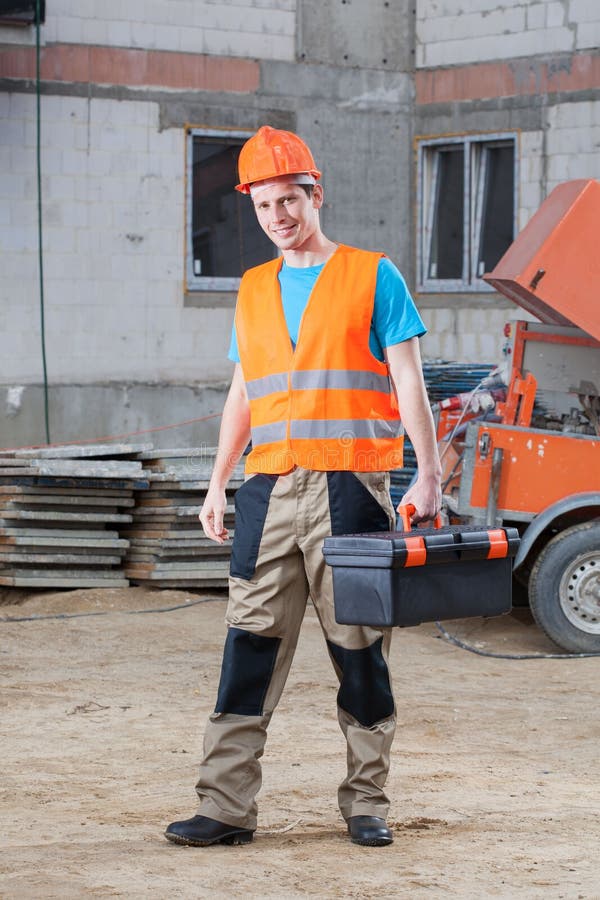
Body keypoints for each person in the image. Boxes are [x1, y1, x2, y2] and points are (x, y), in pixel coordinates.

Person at [165, 125, 442, 849]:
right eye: (263, 205)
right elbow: (244, 391)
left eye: (288, 199)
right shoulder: (253, 289)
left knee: (359, 652)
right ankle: (225, 807)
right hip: (267, 492)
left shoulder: (373, 275)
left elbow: (409, 381)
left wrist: (430, 475)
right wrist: (217, 482)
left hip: (351, 492)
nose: (277, 216)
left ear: (316, 196)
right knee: (247, 648)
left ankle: (367, 803)